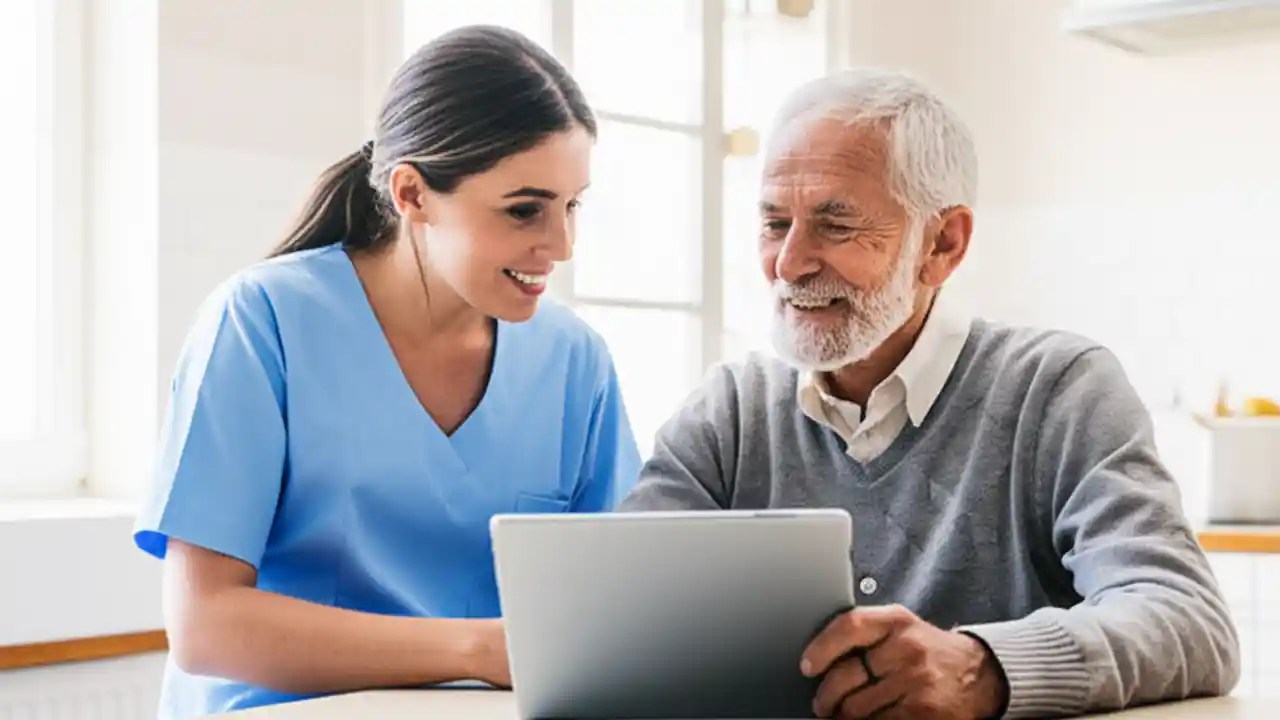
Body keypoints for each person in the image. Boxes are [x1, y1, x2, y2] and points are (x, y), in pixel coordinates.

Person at [620, 68, 1238, 719]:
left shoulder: (1058, 390)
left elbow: (1187, 622)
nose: (789, 262)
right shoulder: (732, 410)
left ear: (943, 244)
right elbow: (614, 610)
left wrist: (983, 668)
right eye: (775, 223)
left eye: (835, 225)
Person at [133, 25, 640, 719]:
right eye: (525, 209)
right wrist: (477, 651)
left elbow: (614, 604)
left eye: (572, 205)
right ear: (412, 193)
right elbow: (206, 627)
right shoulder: (262, 322)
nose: (561, 245)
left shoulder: (576, 363)